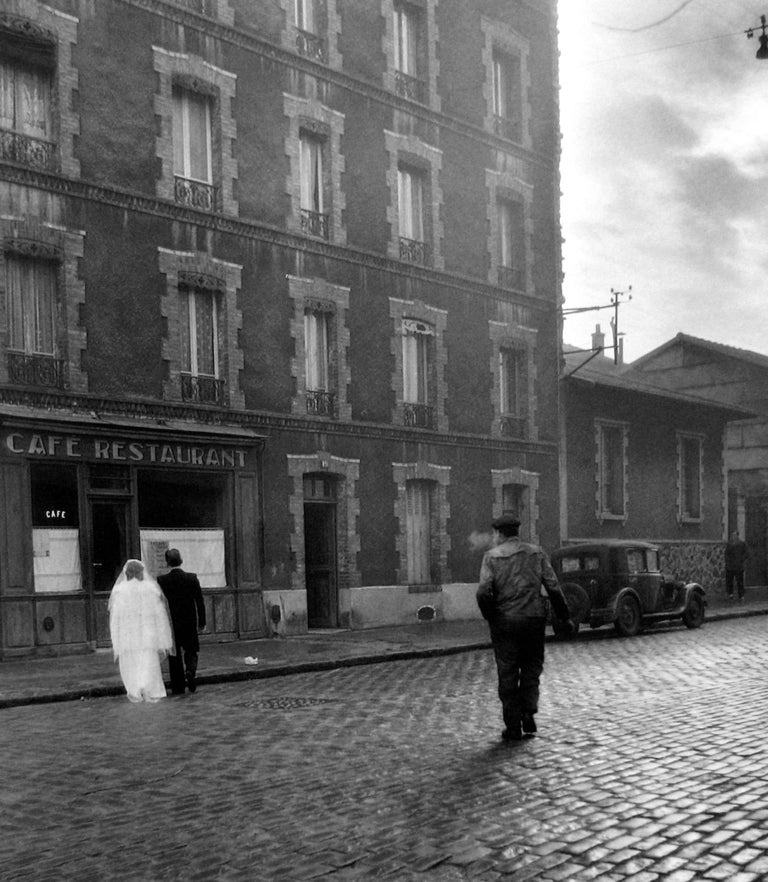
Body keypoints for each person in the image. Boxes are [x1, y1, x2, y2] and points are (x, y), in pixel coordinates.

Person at [476, 515, 574, 742]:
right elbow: (554, 587)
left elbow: (483, 592)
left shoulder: (491, 557)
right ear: (517, 532)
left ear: (500, 534)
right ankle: (529, 711)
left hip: (506, 621)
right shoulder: (536, 553)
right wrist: (565, 617)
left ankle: (512, 726)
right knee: (531, 668)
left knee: (508, 671)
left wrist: (492, 617)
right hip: (533, 620)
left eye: (495, 534)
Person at [108, 559, 174, 703]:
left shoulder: (119, 591)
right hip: (147, 634)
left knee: (131, 663)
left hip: (128, 635)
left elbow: (115, 619)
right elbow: (159, 615)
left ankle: (135, 688)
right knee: (148, 662)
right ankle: (149, 687)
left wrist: (116, 638)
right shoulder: (151, 589)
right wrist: (162, 637)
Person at [158, 549, 206, 694]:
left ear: (167, 563)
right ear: (181, 560)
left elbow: (159, 604)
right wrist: (201, 622)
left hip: (171, 624)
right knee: (191, 650)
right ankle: (191, 671)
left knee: (174, 655)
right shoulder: (192, 578)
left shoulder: (162, 581)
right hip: (189, 621)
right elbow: (200, 602)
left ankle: (178, 686)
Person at [724, 531, 749, 601]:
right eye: (732, 535)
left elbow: (746, 553)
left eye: (734, 535)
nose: (733, 537)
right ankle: (730, 594)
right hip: (730, 566)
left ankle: (741, 595)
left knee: (740, 581)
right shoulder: (729, 545)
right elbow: (726, 554)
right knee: (729, 581)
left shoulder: (742, 544)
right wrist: (728, 562)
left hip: (738, 566)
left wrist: (741, 560)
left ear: (737, 536)